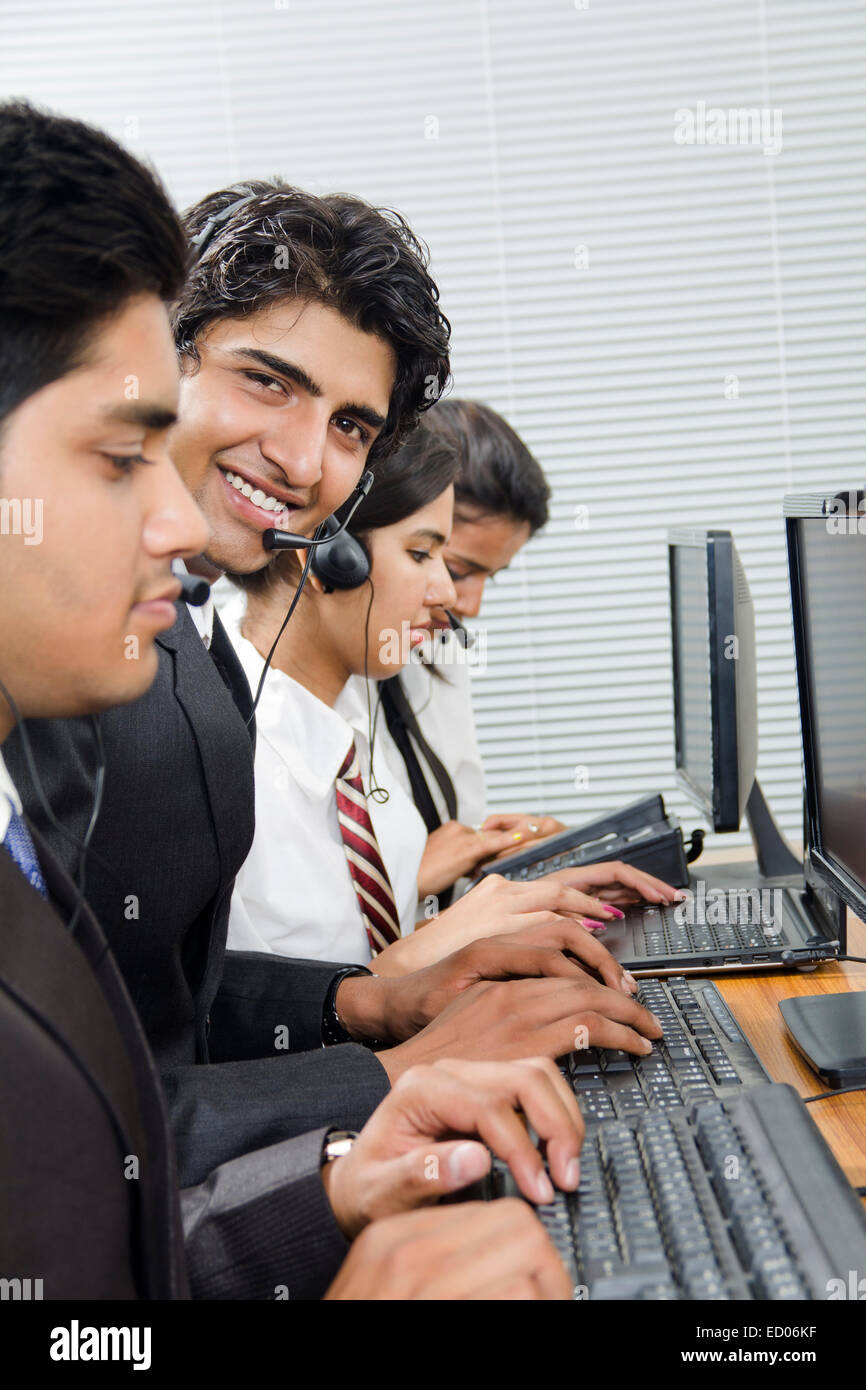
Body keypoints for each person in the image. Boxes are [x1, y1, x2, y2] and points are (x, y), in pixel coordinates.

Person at [0, 100, 646, 1303]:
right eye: (265, 382)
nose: (303, 463)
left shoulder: (174, 664)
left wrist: (366, 1004)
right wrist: (372, 1077)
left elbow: (138, 1036)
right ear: (164, 362)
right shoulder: (79, 656)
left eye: (349, 426)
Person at [224, 424, 680, 973]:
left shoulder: (348, 721)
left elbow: (362, 944)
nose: (448, 596)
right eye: (423, 554)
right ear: (325, 556)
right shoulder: (226, 759)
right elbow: (243, 1022)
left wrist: (518, 902)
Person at [366, 398, 571, 902]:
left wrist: (505, 851)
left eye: (490, 579)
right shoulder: (279, 688)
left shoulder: (437, 649)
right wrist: (407, 880)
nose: (466, 603)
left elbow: (451, 832)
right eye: (456, 568)